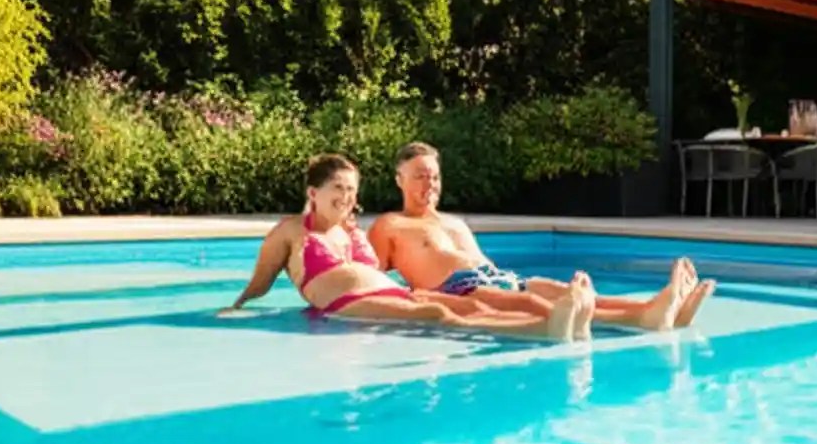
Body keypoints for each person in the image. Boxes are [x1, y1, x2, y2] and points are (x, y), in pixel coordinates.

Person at [222, 153, 594, 341]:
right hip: (346, 304)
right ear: (313, 193)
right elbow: (262, 279)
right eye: (338, 188)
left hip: (393, 292)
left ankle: (551, 322)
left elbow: (378, 269)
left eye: (351, 190)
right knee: (440, 316)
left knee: (470, 304)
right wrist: (237, 306)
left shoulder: (351, 231)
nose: (346, 197)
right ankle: (543, 330)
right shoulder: (290, 232)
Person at [367, 142, 715, 336]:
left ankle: (656, 311)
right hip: (460, 289)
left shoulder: (455, 221)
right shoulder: (390, 225)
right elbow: (370, 277)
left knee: (570, 292)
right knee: (541, 308)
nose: (429, 185)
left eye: (435, 177)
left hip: (501, 278)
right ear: (399, 180)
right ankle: (644, 319)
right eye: (419, 177)